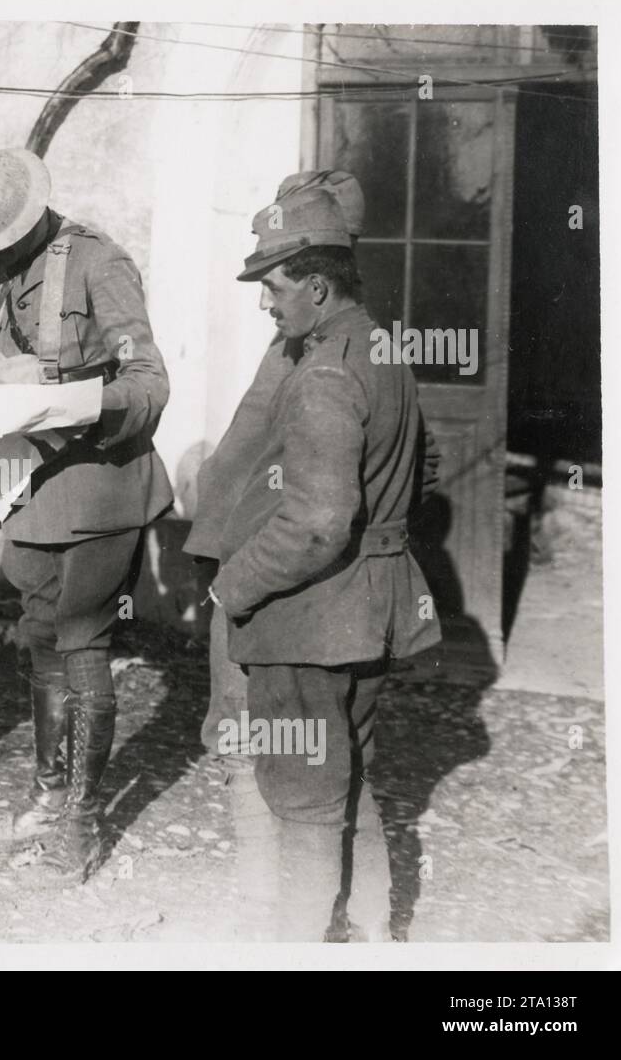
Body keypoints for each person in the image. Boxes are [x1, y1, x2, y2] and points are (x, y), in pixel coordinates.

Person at [205, 184, 441, 940]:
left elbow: (315, 523)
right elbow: (422, 471)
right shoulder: (384, 349)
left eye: (272, 288)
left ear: (314, 284)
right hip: (371, 612)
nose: (265, 305)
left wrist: (231, 582)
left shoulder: (323, 375)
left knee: (303, 800)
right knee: (352, 777)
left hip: (308, 622)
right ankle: (372, 931)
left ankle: (301, 947)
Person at [0, 149, 173, 884]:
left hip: (101, 480)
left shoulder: (100, 263)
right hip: (31, 486)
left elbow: (148, 383)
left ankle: (80, 818)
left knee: (83, 645)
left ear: (36, 215)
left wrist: (67, 395)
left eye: (4, 241)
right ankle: (48, 791)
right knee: (40, 637)